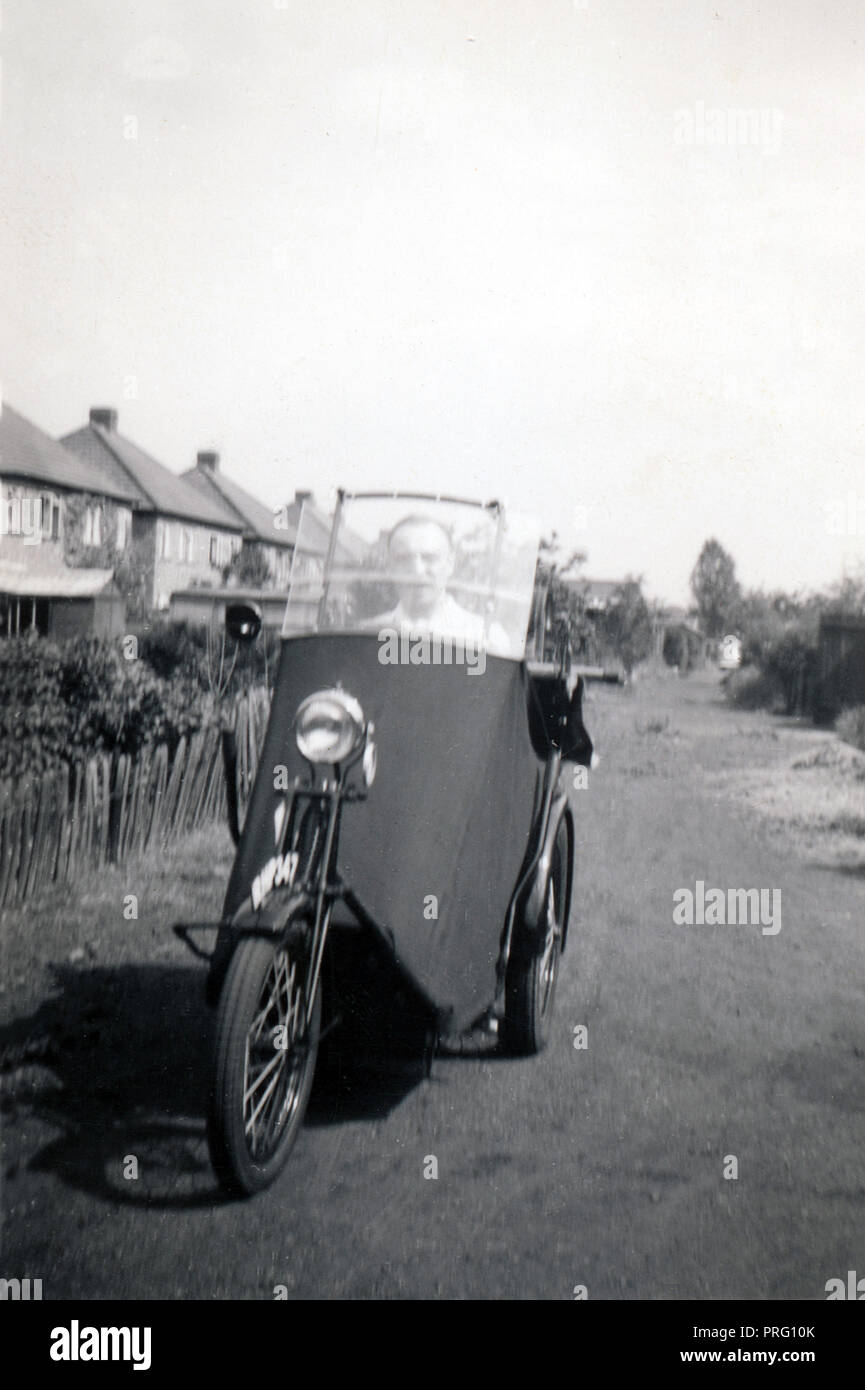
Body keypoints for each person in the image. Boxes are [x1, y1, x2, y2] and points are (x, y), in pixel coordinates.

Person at [368, 514, 510, 654]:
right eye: (403, 558)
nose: (417, 571)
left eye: (430, 558)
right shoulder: (367, 636)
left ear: (450, 564)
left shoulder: (484, 637)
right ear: (389, 566)